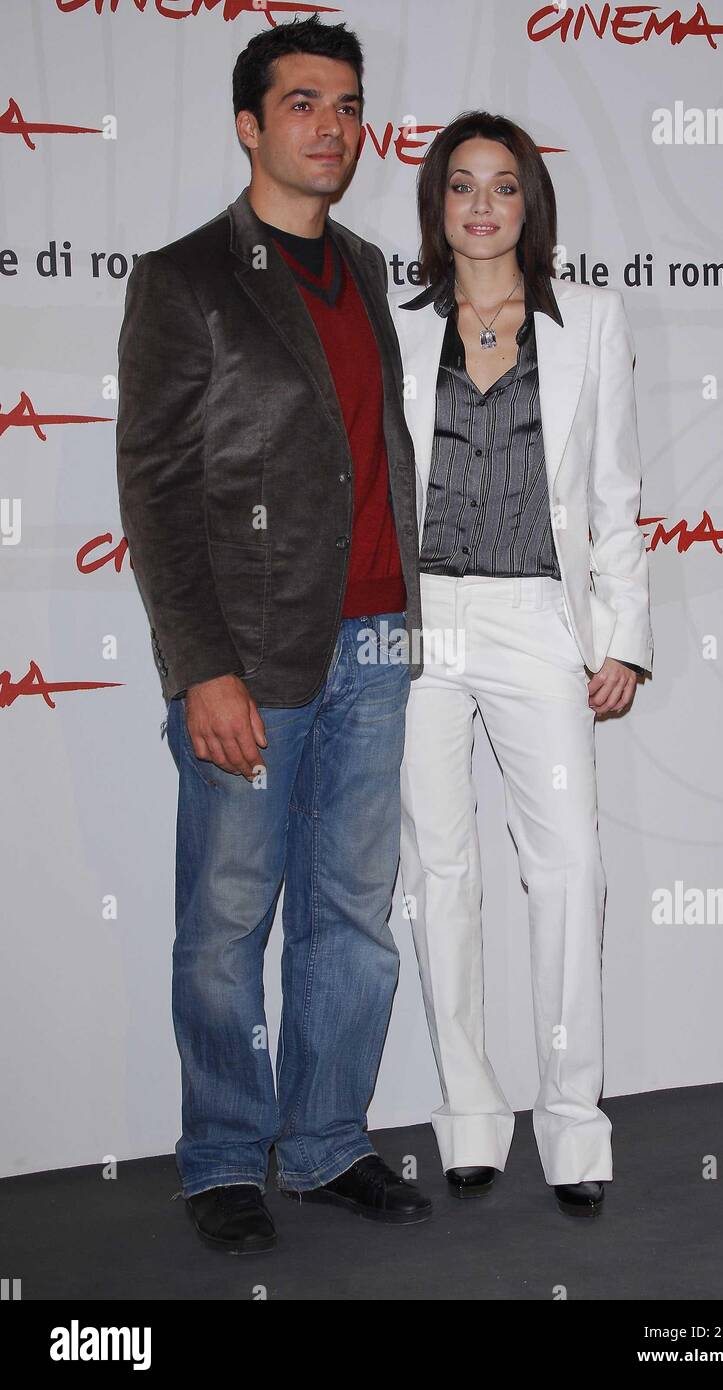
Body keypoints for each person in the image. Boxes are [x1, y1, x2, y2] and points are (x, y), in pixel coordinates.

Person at [115, 16, 432, 1255]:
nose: (331, 127)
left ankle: (327, 1141)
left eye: (348, 105)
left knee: (354, 913)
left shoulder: (366, 266)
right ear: (249, 125)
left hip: (376, 641)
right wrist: (201, 665)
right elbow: (154, 488)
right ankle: (220, 1158)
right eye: (304, 103)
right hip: (250, 657)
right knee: (228, 919)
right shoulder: (185, 278)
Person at [389, 111, 653, 1218]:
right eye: (462, 185)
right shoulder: (398, 325)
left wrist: (622, 636)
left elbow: (615, 491)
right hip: (423, 624)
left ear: (530, 203)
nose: (483, 205)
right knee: (440, 873)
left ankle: (573, 1120)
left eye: (503, 185)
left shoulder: (589, 319)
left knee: (569, 870)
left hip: (540, 617)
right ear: (438, 206)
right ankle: (469, 1115)